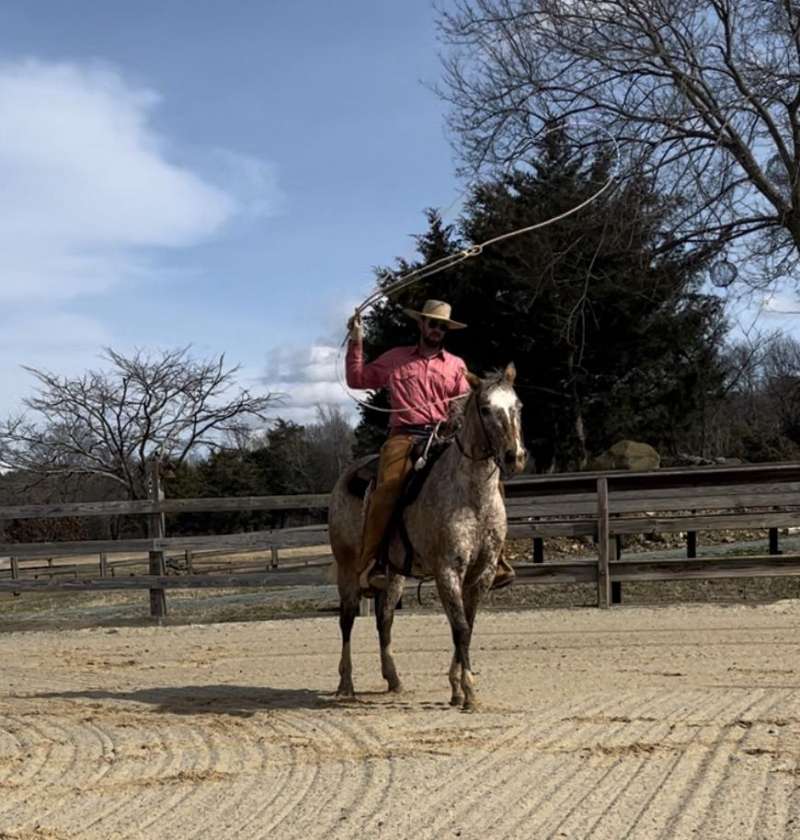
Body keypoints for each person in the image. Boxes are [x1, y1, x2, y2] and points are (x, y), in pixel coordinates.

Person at [346, 298, 515, 593]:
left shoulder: (456, 366)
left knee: (491, 482)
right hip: (404, 436)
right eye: (432, 323)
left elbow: (464, 405)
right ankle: (375, 562)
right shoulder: (395, 358)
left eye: (442, 326)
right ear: (421, 324)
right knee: (387, 487)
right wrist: (356, 341)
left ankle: (497, 558)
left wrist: (454, 421)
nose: (437, 329)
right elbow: (357, 379)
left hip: (444, 438)